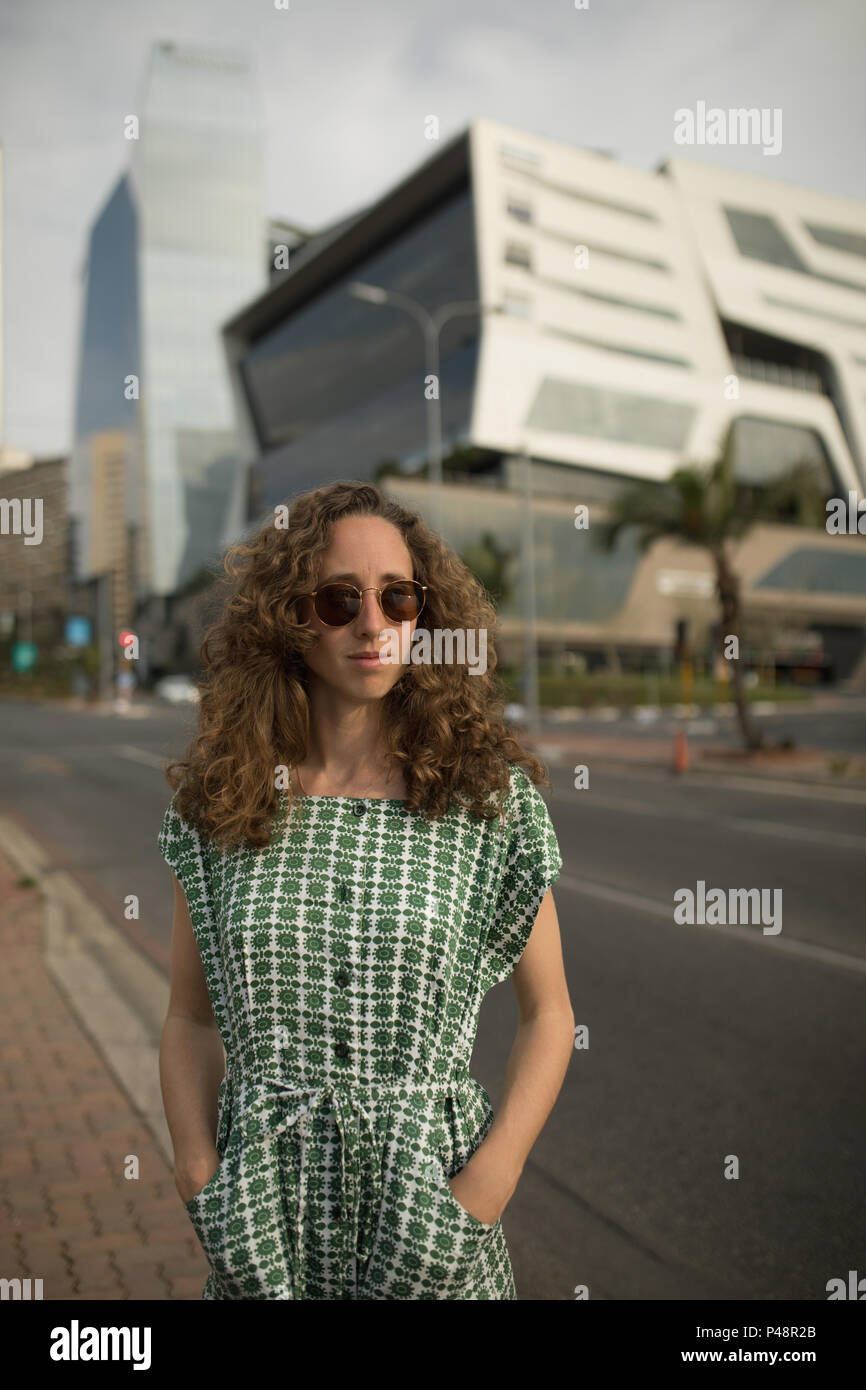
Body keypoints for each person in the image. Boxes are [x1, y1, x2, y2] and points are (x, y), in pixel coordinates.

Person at [157, 480, 574, 1300]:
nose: (373, 624)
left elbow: (550, 1013)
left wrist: (483, 1191)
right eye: (340, 599)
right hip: (264, 1236)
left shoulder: (482, 799)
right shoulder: (226, 797)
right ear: (291, 618)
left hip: (435, 1228)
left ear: (425, 615)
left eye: (398, 597)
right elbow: (188, 1016)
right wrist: (199, 1176)